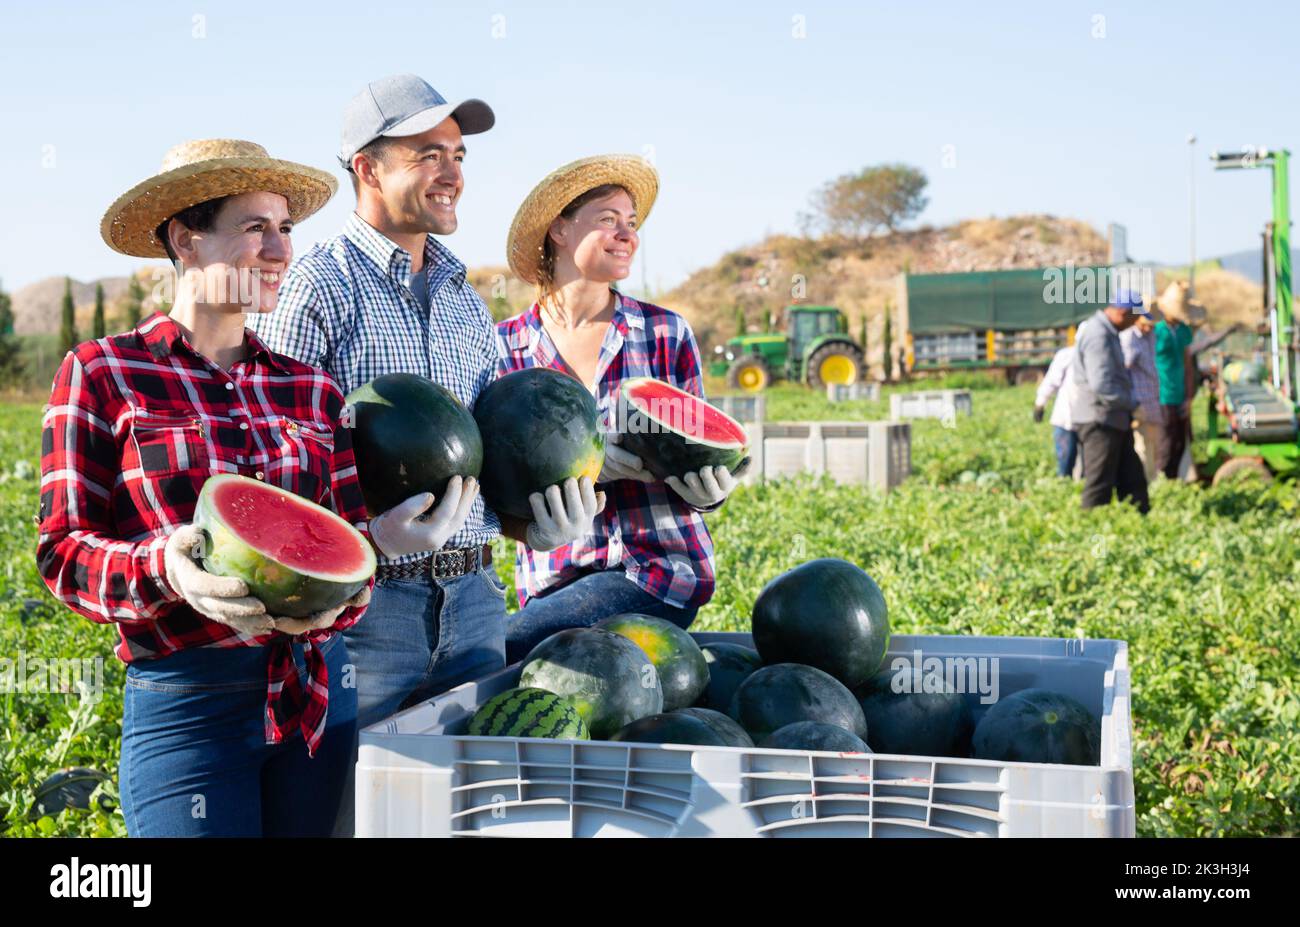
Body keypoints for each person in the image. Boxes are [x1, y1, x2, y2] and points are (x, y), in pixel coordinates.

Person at [247, 75, 602, 835]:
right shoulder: (318, 286)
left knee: (466, 819)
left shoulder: (465, 296)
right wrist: (368, 543)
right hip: (367, 614)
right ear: (368, 168)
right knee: (348, 816)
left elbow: (485, 452)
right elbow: (279, 465)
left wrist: (526, 522)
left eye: (459, 154)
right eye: (428, 154)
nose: (453, 172)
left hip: (474, 601)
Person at [37, 139, 373, 836]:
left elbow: (355, 542)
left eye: (286, 229)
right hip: (186, 705)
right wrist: (163, 568)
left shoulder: (309, 388)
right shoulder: (103, 372)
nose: (281, 250)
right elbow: (62, 552)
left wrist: (331, 610)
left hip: (315, 694)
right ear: (186, 241)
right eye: (256, 228)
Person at [496, 155, 748, 663]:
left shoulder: (665, 332)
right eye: (608, 219)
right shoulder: (503, 349)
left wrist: (711, 493)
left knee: (502, 650)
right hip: (554, 579)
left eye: (631, 223)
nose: (627, 234)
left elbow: (696, 448)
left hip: (658, 573)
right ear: (560, 230)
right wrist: (583, 467)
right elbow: (500, 483)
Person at [1070, 289, 1150, 513]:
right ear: (1123, 313)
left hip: (1113, 419)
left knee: (1132, 480)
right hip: (1099, 421)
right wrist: (1132, 404)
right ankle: (1092, 533)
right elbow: (1102, 385)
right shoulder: (1099, 336)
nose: (1136, 322)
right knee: (1099, 484)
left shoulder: (1108, 332)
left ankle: (1139, 524)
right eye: (1135, 317)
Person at [1152, 282, 1197, 480]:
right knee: (1166, 442)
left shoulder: (1184, 331)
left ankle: (1173, 478)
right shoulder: (1156, 331)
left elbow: (1188, 365)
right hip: (1162, 394)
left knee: (1180, 441)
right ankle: (1162, 478)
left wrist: (1189, 396)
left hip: (1179, 393)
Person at [1034, 328, 1085, 478]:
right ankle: (1065, 489)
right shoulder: (1067, 356)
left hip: (1089, 420)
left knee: (1087, 465)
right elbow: (1051, 381)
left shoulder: (1101, 357)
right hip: (1066, 418)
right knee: (1066, 460)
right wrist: (1040, 403)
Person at [1120, 308, 1164, 482]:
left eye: (1151, 326)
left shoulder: (1151, 337)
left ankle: (1152, 481)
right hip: (1139, 403)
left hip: (1153, 400)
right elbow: (1124, 371)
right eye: (1145, 325)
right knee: (1142, 448)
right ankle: (1144, 483)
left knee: (1154, 446)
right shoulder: (1129, 338)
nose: (1148, 329)